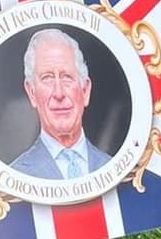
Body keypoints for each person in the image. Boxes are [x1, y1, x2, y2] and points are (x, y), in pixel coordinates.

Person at [10, 28, 111, 179]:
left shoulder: (114, 168)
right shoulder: (14, 177)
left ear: (85, 90)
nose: (59, 93)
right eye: (47, 78)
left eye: (67, 77)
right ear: (31, 92)